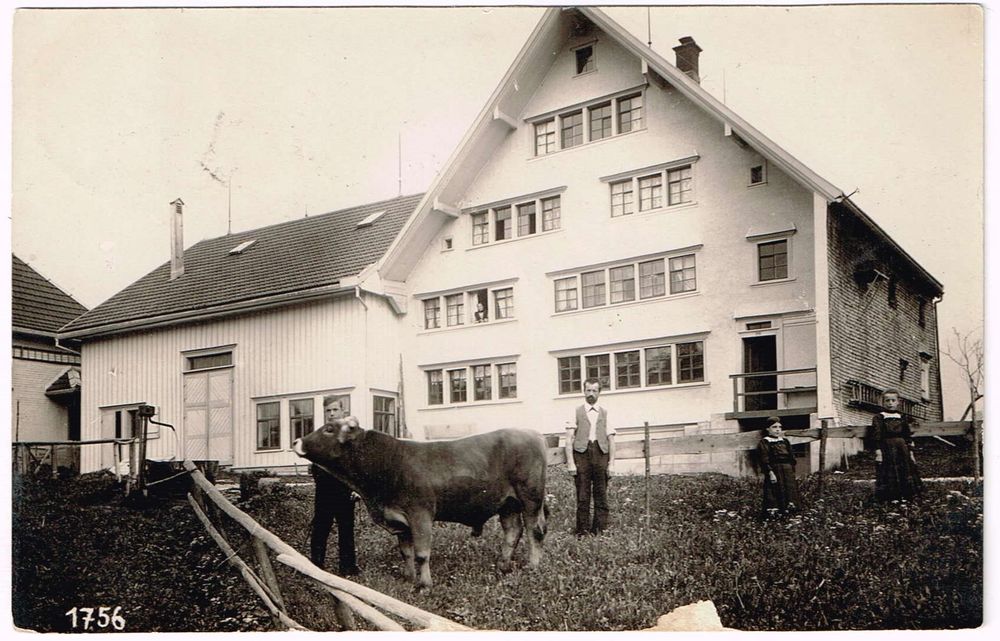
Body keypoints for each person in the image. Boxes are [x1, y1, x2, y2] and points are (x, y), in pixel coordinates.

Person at [310, 396, 360, 575]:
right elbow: (314, 462)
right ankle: (316, 566)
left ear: (342, 411)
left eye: (335, 410)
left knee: (346, 529)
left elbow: (356, 465)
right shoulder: (319, 435)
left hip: (345, 491)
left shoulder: (350, 437)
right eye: (328, 411)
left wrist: (356, 489)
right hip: (324, 491)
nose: (331, 414)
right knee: (321, 528)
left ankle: (348, 567)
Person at [565, 378, 616, 535]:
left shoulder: (605, 413)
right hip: (582, 455)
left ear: (599, 392)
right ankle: (582, 531)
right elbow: (569, 439)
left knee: (601, 494)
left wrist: (611, 464)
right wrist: (571, 463)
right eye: (588, 390)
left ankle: (599, 530)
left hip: (601, 454)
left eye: (594, 390)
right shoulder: (576, 411)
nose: (591, 394)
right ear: (583, 391)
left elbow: (611, 440)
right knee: (583, 495)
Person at [869, 389, 923, 501]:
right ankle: (890, 497)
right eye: (887, 400)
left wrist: (911, 451)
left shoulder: (902, 417)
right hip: (887, 447)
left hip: (902, 448)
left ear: (898, 402)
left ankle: (907, 496)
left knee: (905, 469)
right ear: (883, 402)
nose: (890, 403)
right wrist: (878, 451)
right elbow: (877, 434)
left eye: (893, 400)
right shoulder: (879, 417)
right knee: (889, 470)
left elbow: (907, 435)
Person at [757, 416, 800, 518]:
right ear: (768, 429)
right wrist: (770, 473)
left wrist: (791, 470)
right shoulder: (765, 442)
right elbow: (764, 459)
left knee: (790, 491)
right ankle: (775, 515)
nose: (777, 429)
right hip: (775, 470)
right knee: (775, 491)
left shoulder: (785, 441)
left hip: (787, 470)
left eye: (779, 427)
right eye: (774, 427)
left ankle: (791, 513)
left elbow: (791, 457)